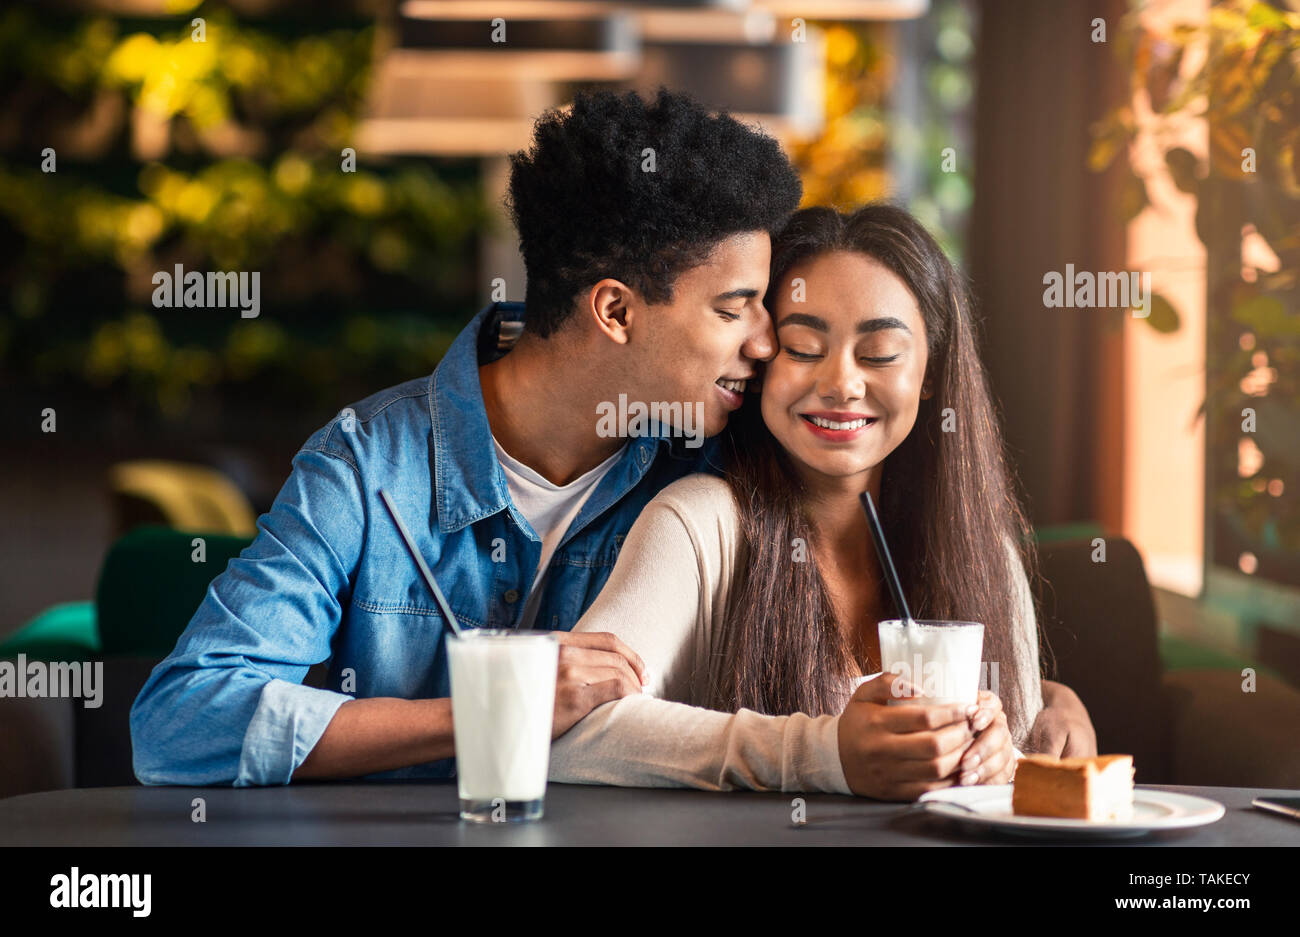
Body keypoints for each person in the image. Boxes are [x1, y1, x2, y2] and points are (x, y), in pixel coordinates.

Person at [129, 88, 801, 785]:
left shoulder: (712, 471)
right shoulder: (364, 465)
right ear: (615, 311)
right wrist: (504, 699)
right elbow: (178, 723)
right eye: (734, 309)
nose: (765, 341)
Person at [549, 203, 1097, 800]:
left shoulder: (983, 554)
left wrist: (999, 758)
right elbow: (572, 733)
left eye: (880, 354)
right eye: (803, 347)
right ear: (760, 359)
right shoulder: (700, 524)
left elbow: (1011, 760)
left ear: (931, 372)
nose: (840, 384)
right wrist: (823, 751)